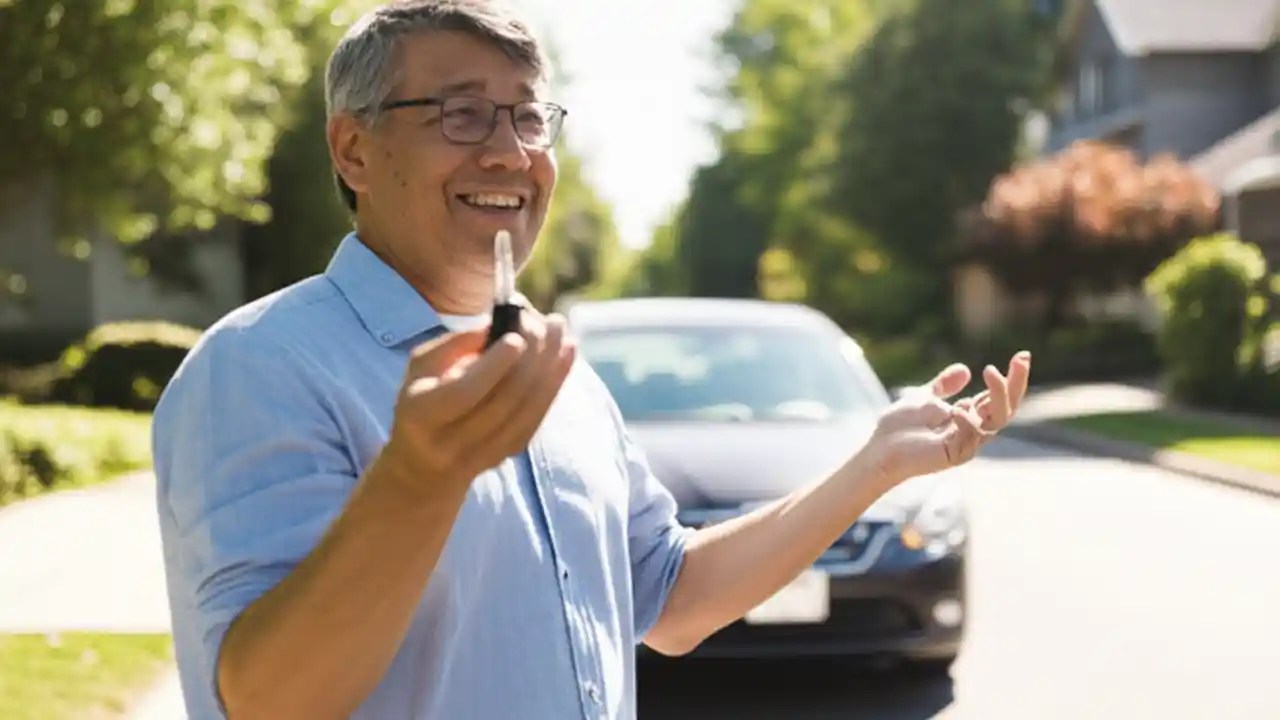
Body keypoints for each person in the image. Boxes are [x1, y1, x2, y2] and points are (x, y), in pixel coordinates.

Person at [151, 1, 1032, 718]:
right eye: (461, 113)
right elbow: (268, 701)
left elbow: (674, 599)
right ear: (354, 150)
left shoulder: (560, 374)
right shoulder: (259, 367)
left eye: (530, 116)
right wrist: (420, 481)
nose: (510, 151)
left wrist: (873, 465)